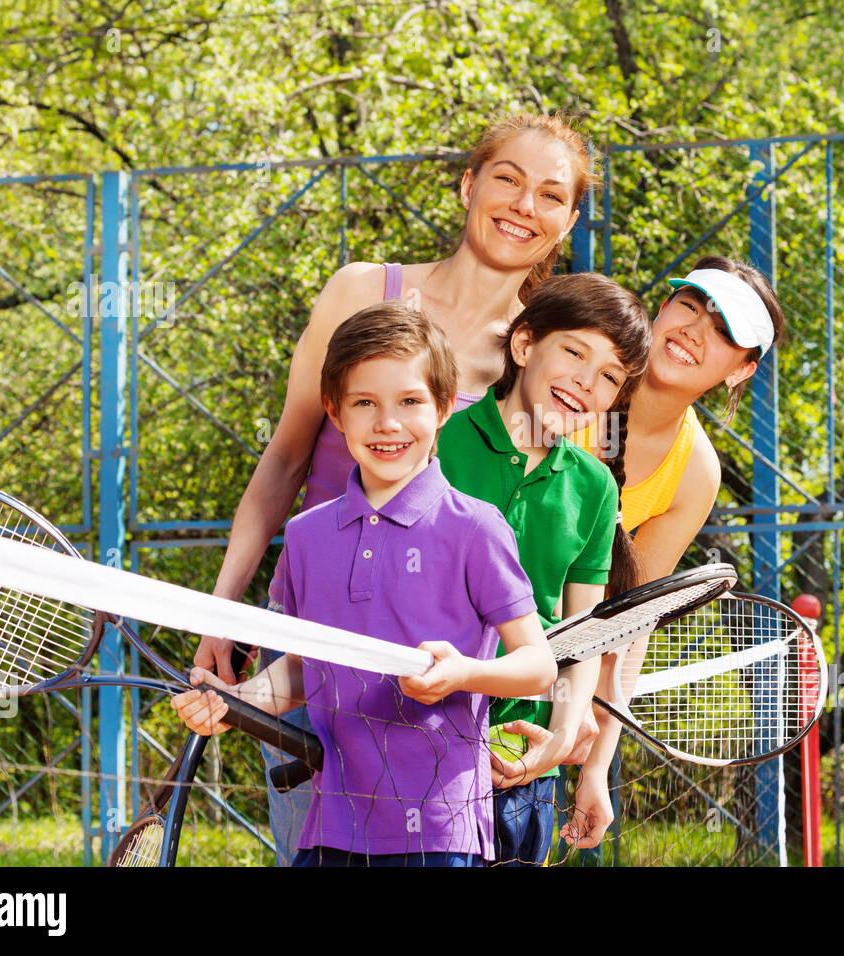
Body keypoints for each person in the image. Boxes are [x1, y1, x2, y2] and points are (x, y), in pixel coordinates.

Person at [190, 112, 597, 864]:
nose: (522, 205)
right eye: (506, 178)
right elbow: (282, 462)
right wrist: (223, 615)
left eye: (550, 194)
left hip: (440, 713)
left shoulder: (538, 356)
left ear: (568, 220)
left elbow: (567, 537)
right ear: (469, 183)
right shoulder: (359, 291)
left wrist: (567, 714)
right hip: (317, 670)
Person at [173, 303, 556, 866]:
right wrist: (236, 701)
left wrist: (463, 674)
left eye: (410, 402)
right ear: (334, 412)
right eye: (364, 404)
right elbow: (308, 667)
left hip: (439, 833)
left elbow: (538, 667)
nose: (388, 424)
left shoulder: (475, 528)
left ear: (444, 408)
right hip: (331, 827)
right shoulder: (305, 536)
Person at [560, 255, 787, 849]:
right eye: (689, 307)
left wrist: (596, 765)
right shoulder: (575, 382)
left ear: (742, 370)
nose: (692, 331)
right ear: (662, 309)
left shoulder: (695, 473)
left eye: (723, 332)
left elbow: (629, 622)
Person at [435, 271, 651, 865]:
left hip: (520, 769)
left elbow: (583, 635)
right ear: (525, 345)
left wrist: (560, 735)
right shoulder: (436, 440)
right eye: (574, 352)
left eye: (609, 376)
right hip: (419, 747)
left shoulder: (595, 486)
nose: (586, 381)